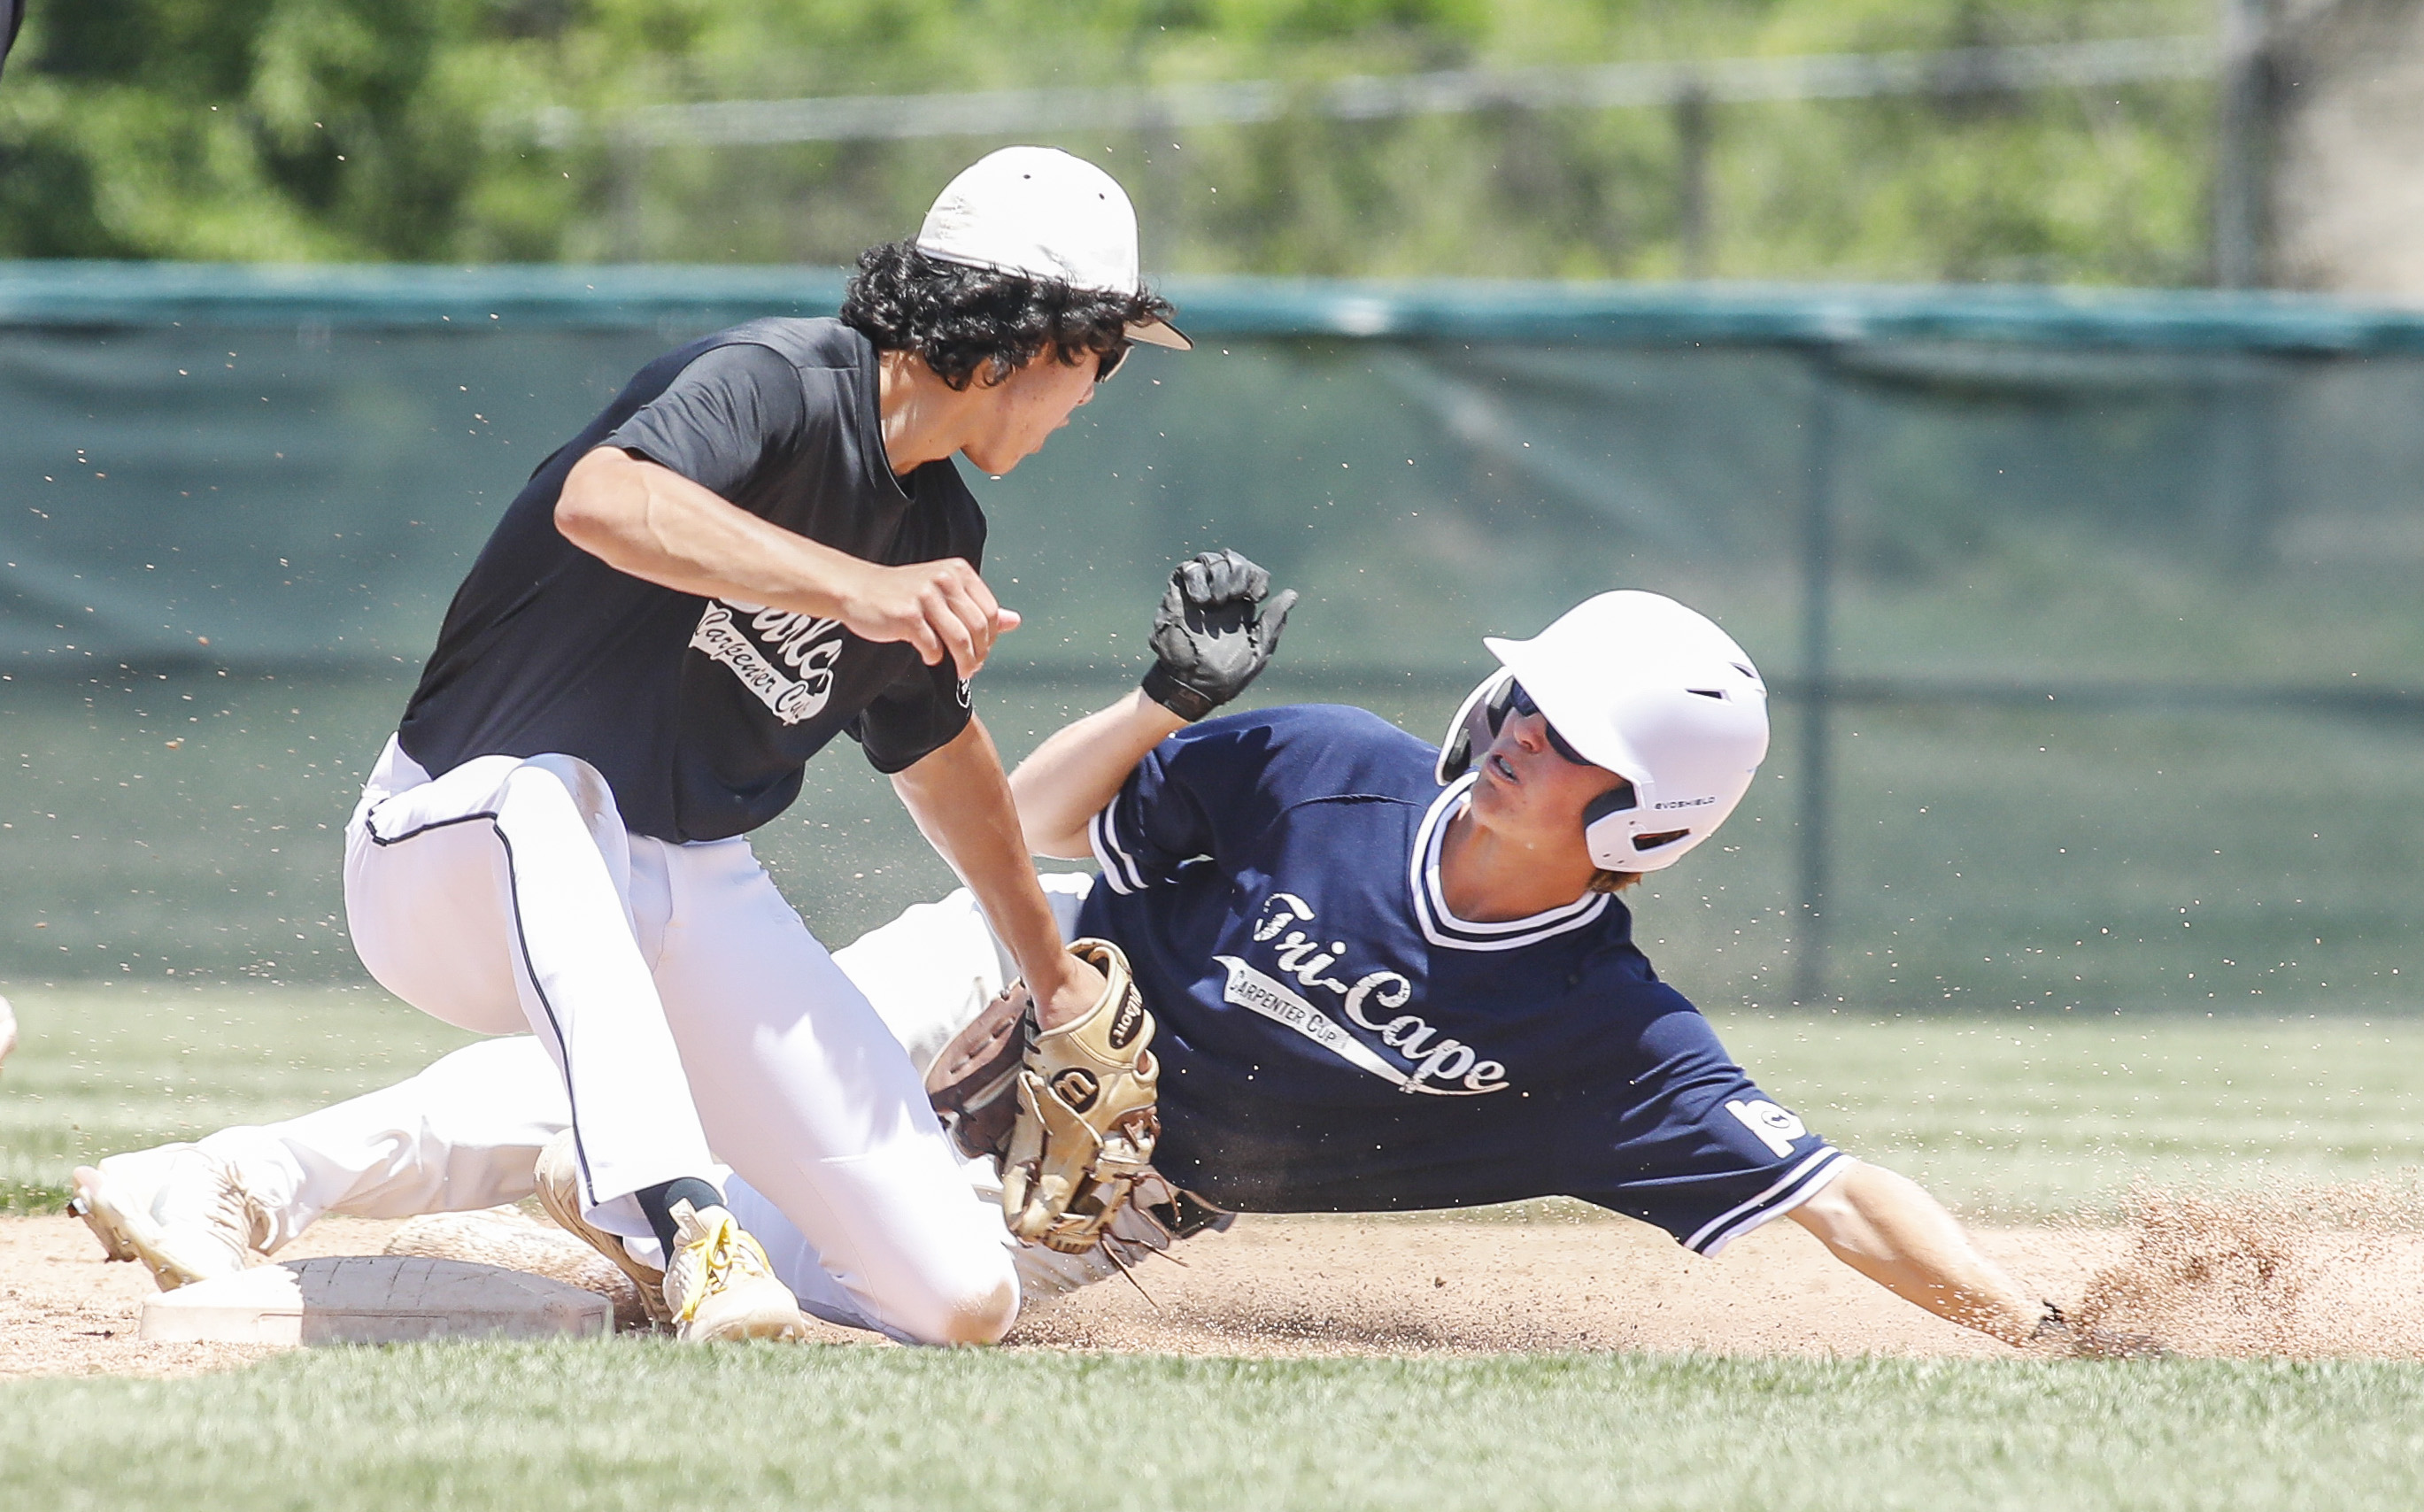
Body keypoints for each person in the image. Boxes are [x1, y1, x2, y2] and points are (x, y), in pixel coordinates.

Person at [74, 567, 2122, 1354]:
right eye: (1511, 696)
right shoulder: (1319, 768)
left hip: (1079, 1201)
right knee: (633, 1079)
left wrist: (2032, 1326)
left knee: (808, 1315)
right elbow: (1035, 824)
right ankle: (239, 1183)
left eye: (1551, 735)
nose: (1499, 727)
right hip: (980, 972)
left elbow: (1832, 1186)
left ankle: (395, 1286)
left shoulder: (1604, 1032)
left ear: (1638, 820)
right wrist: (1156, 701)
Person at [74, 145, 1191, 1346]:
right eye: (1104, 360)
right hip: (451, 849)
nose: (1093, 395)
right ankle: (676, 1218)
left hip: (682, 891)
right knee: (552, 799)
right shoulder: (776, 382)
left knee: (958, 1295)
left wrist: (1050, 967)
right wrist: (855, 589)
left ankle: (250, 1180)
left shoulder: (938, 526)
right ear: (1042, 341)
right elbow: (602, 503)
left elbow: (940, 761)